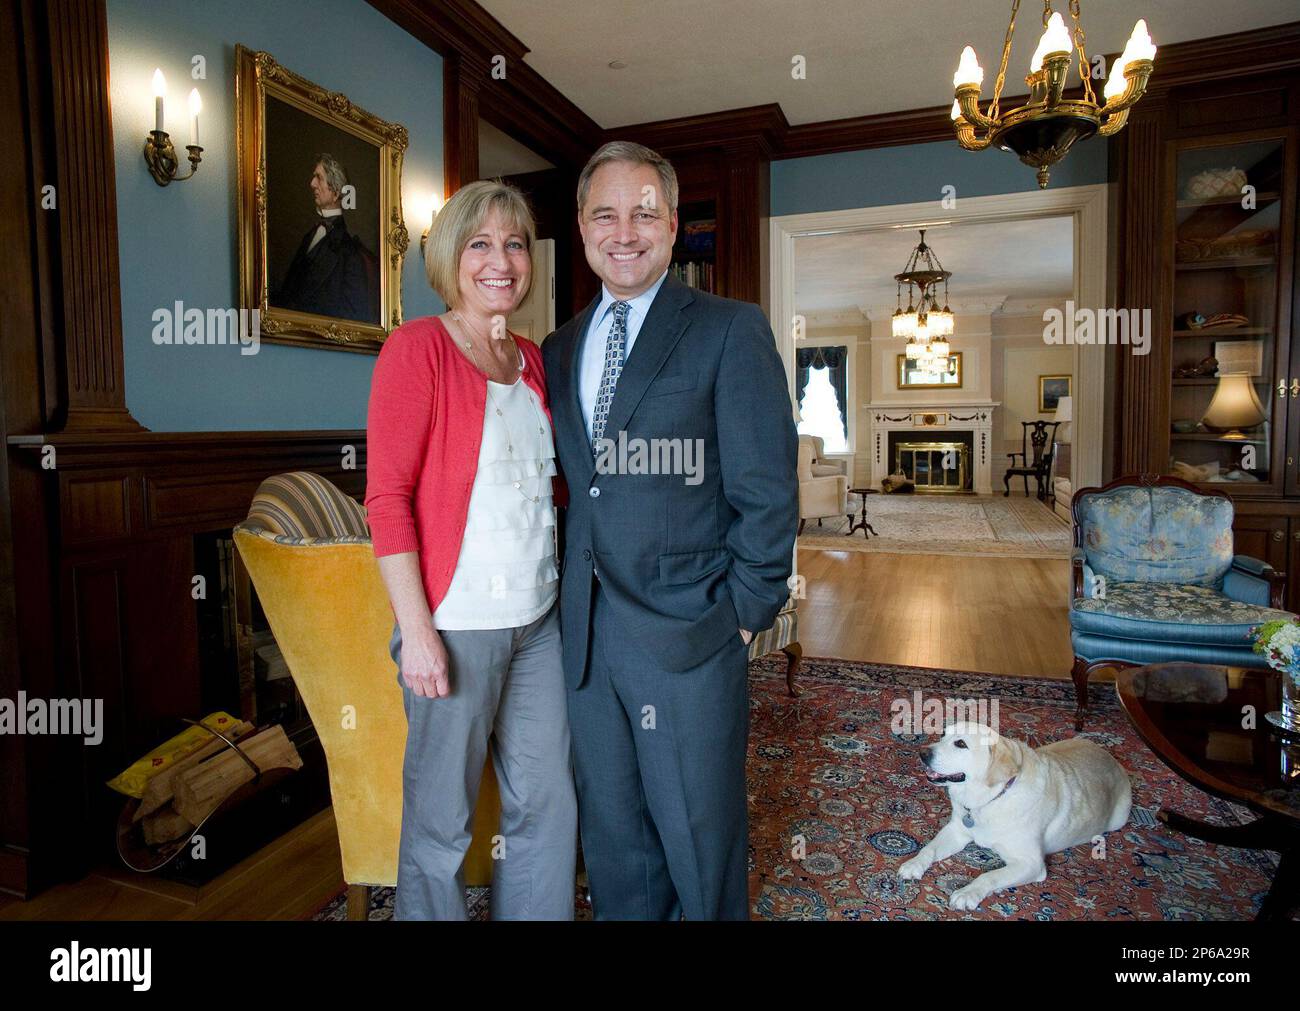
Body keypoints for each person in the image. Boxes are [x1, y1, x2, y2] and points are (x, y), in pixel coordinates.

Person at [542, 141, 798, 920]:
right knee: (616, 841)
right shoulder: (559, 348)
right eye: (606, 213)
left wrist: (746, 611)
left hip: (690, 634)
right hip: (585, 638)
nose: (626, 231)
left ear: (674, 224)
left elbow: (766, 487)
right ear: (582, 226)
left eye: (644, 212)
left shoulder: (729, 329)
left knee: (698, 836)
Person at [365, 179, 576, 920]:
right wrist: (418, 631)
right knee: (440, 821)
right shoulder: (415, 347)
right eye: (481, 243)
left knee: (547, 806)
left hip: (538, 624)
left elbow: (546, 491)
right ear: (451, 255)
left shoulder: (532, 358)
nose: (501, 260)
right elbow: (386, 498)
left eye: (515, 243)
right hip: (455, 621)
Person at [274, 153, 379, 322]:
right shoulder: (309, 236)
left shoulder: (350, 253)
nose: (312, 184)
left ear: (336, 192)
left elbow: (354, 317)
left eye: (319, 178)